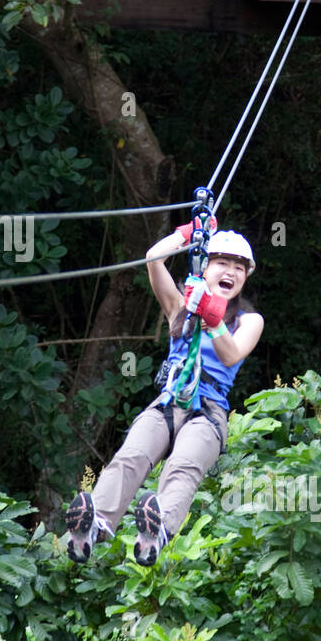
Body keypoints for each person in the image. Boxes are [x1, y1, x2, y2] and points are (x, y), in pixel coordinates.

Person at [65, 225, 264, 566]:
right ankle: (93, 526)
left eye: (239, 267)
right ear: (204, 266)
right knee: (131, 456)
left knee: (183, 465)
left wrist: (213, 318)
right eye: (222, 263)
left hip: (209, 410)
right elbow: (154, 259)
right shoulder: (180, 307)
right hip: (169, 401)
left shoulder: (249, 320)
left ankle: (157, 532)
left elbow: (232, 355)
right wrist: (187, 234)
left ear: (246, 276)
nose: (231, 272)